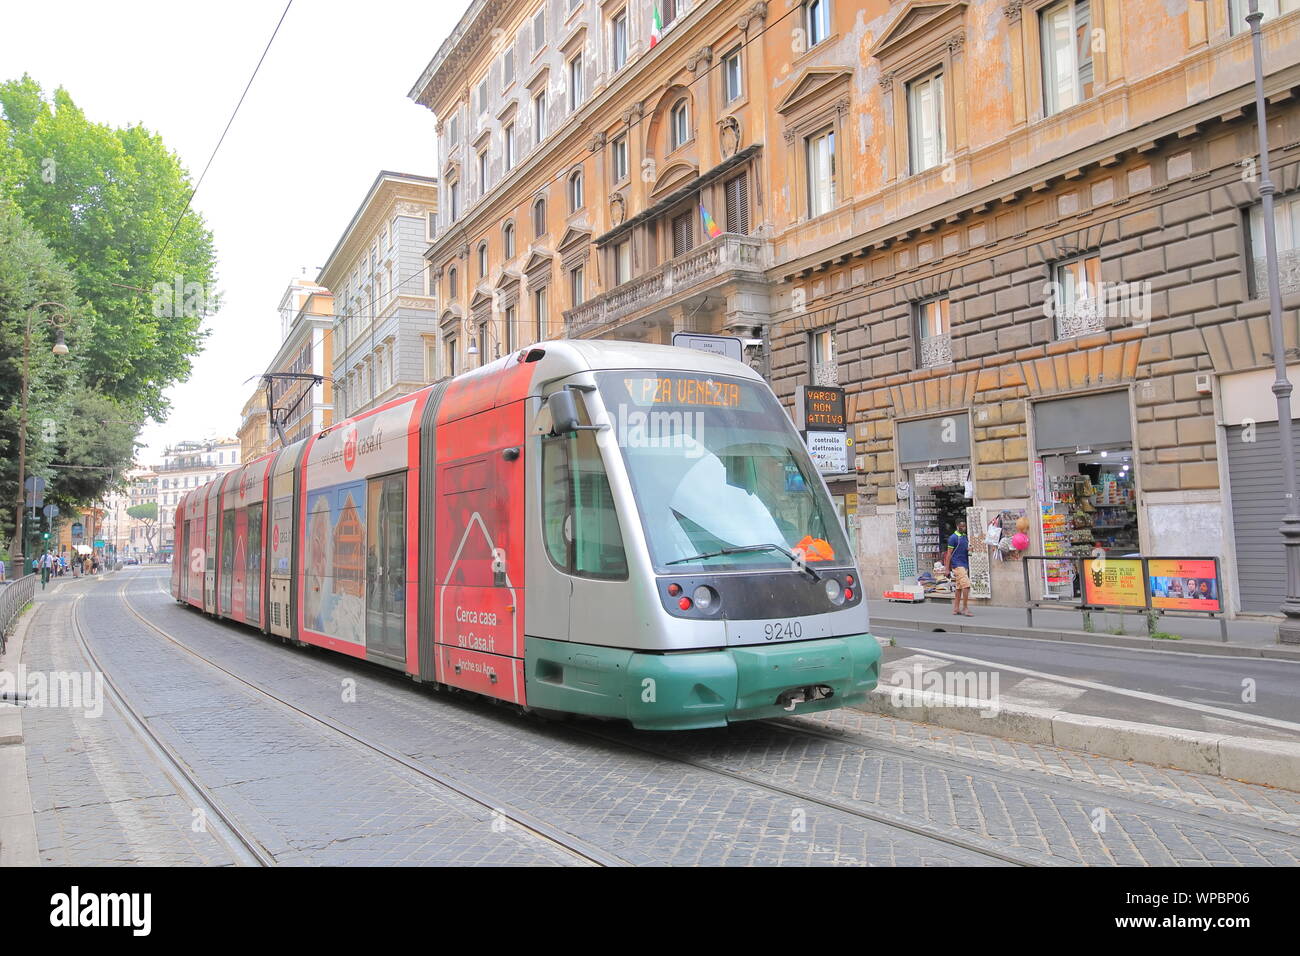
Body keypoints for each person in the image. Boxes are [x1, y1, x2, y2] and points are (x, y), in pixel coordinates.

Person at [944, 519, 973, 616]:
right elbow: (948, 554)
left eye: (965, 526)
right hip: (957, 565)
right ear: (957, 526)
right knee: (966, 585)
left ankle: (956, 609)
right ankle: (965, 608)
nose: (964, 528)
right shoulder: (953, 538)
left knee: (959, 587)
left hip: (964, 564)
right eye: (962, 526)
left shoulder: (965, 537)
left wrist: (969, 549)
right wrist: (947, 569)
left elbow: (965, 550)